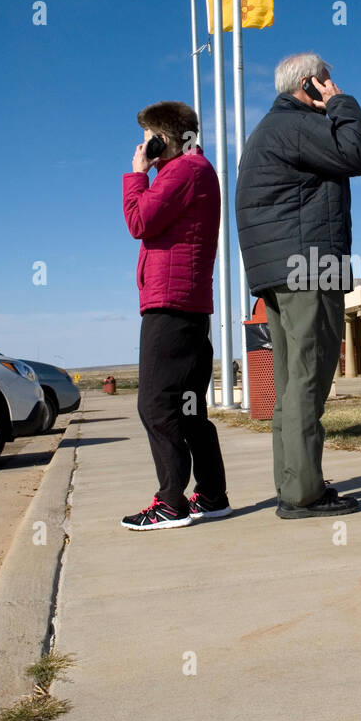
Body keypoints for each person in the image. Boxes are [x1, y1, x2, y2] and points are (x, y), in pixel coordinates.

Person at [235, 53, 361, 518]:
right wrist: (342, 104)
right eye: (329, 80)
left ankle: (294, 484)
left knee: (293, 381)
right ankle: (302, 495)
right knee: (309, 382)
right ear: (311, 83)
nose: (334, 86)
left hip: (280, 271)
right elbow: (357, 154)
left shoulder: (269, 130)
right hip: (309, 268)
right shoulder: (295, 125)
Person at [121, 101, 231, 530]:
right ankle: (212, 494)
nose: (143, 145)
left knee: (155, 405)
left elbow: (138, 221)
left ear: (161, 139)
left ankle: (171, 502)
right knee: (187, 408)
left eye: (149, 137)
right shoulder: (195, 170)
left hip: (170, 306)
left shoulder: (183, 171)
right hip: (187, 305)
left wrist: (137, 173)